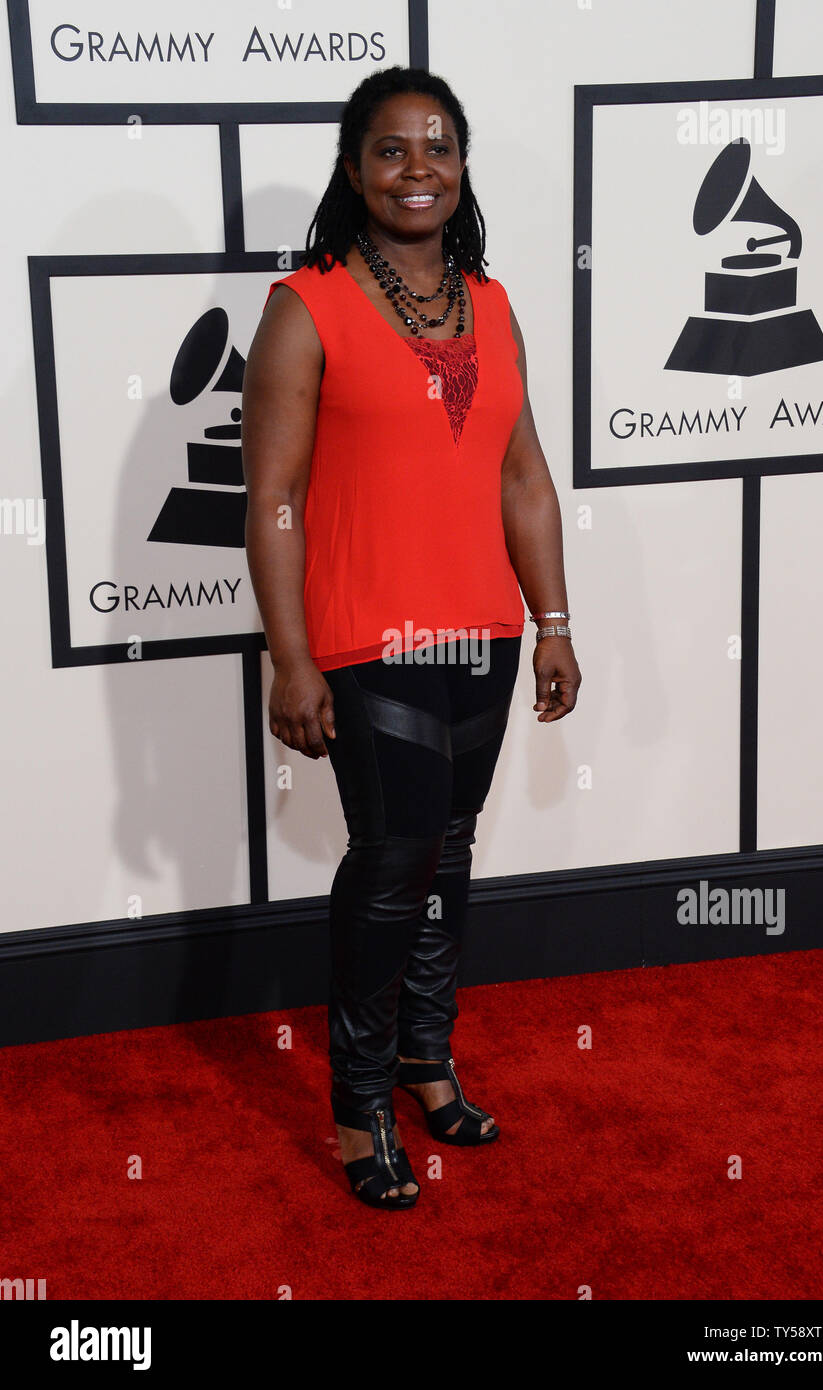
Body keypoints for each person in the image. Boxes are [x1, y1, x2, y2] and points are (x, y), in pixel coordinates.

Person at [241, 65, 581, 1210]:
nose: (417, 168)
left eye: (437, 147)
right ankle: (353, 1106)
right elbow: (274, 496)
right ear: (353, 169)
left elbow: (524, 476)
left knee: (448, 854)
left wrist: (552, 623)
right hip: (364, 633)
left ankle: (424, 1061)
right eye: (390, 150)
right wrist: (289, 655)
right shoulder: (307, 304)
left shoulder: (490, 302)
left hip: (479, 629)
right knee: (391, 865)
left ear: (462, 165)